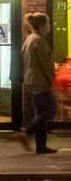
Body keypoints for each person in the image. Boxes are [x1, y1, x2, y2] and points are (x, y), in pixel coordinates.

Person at [18, 11, 58, 154]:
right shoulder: (39, 41)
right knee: (50, 111)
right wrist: (52, 79)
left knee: (40, 113)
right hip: (40, 81)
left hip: (31, 80)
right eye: (48, 24)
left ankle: (41, 146)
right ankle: (26, 132)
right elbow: (45, 63)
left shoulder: (29, 38)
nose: (50, 27)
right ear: (41, 26)